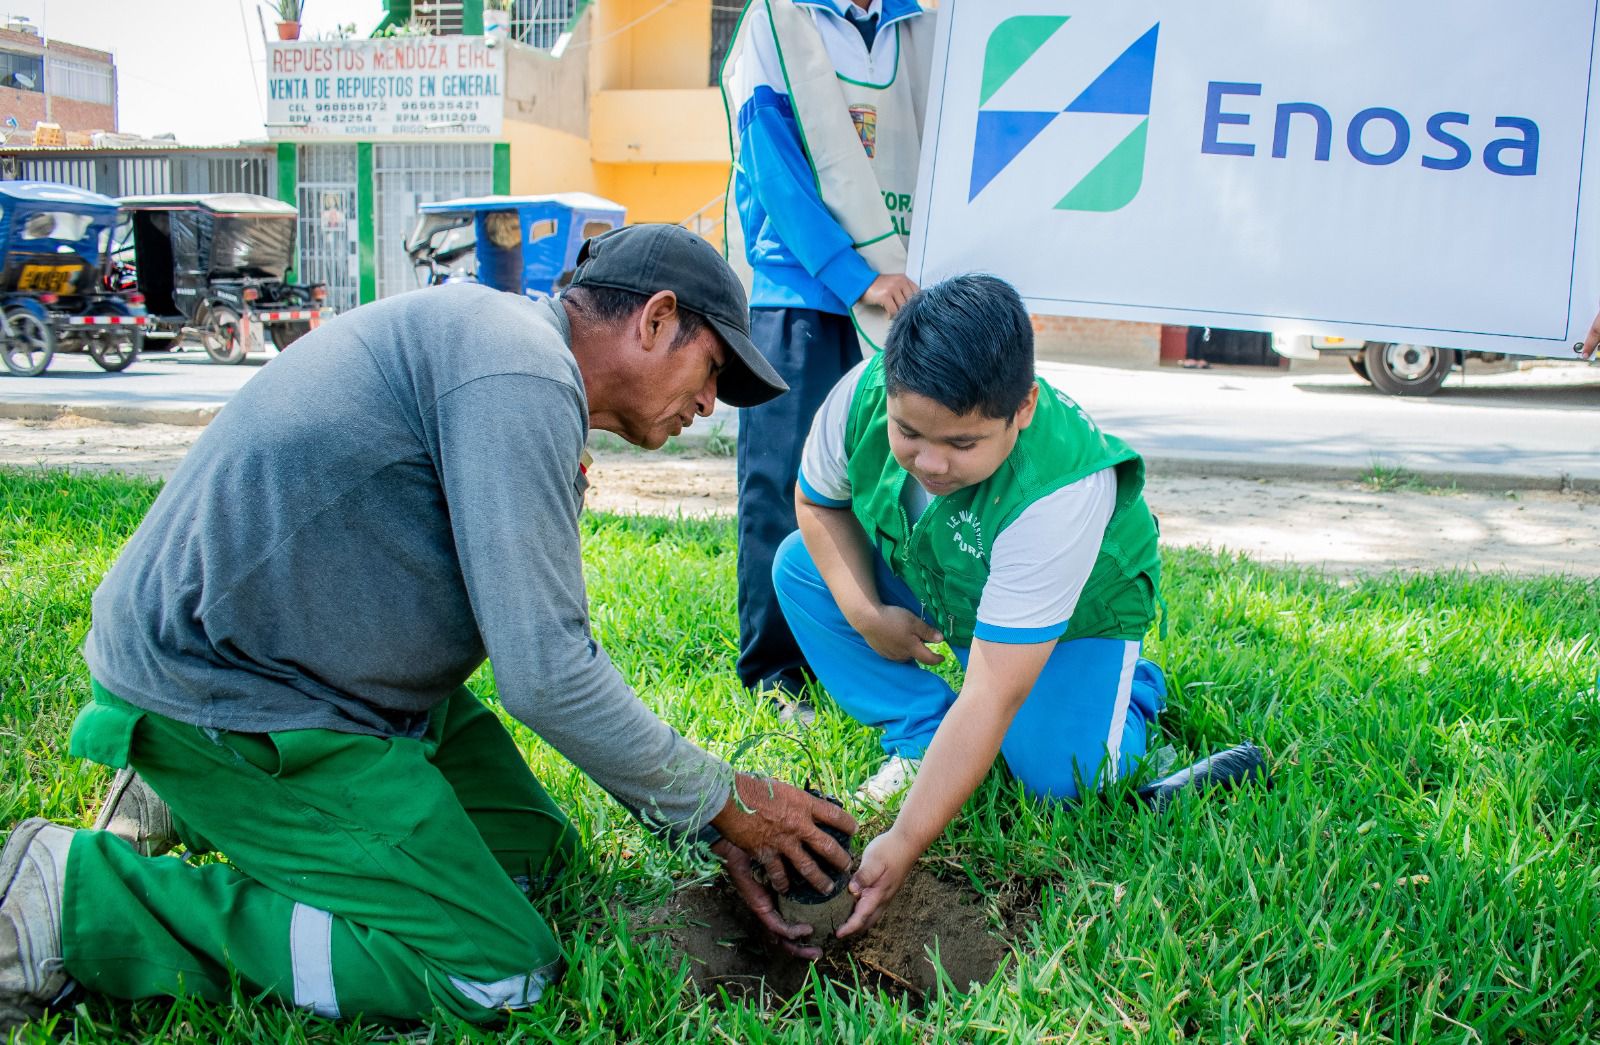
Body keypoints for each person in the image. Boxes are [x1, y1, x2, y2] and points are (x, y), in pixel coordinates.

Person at [0, 224, 856, 1029]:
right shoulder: (519, 370)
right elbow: (547, 671)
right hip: (238, 690)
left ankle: (194, 799)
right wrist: (725, 802)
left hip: (332, 678)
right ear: (656, 318)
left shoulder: (511, 353)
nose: (709, 404)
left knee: (537, 868)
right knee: (493, 972)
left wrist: (710, 811)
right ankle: (79, 897)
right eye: (711, 372)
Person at [771, 274, 1169, 936]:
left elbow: (990, 692)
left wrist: (904, 839)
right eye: (910, 432)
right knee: (800, 569)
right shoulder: (861, 396)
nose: (930, 462)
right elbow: (816, 503)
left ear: (1024, 408)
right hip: (949, 579)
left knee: (1064, 780)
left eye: (963, 444)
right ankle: (921, 731)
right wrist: (869, 615)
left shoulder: (1059, 489)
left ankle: (1133, 692)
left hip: (1073, 615)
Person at [721, 0, 937, 713]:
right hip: (802, 291)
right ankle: (777, 671)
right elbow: (769, 161)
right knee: (785, 483)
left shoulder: (922, 25)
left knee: (888, 476)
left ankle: (855, 647)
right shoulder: (776, 21)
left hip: (905, 286)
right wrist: (855, 275)